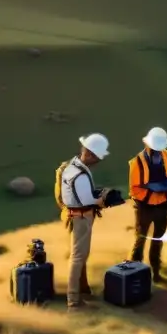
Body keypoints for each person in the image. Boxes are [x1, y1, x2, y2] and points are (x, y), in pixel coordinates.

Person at [56, 133, 111, 310]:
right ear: (91, 154)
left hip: (76, 215)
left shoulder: (73, 167)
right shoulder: (79, 174)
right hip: (81, 217)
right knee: (78, 257)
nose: (98, 161)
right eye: (97, 157)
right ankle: (73, 299)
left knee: (79, 256)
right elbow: (86, 200)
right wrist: (102, 199)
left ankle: (81, 290)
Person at [128, 126, 167, 283]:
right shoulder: (136, 162)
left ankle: (156, 271)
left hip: (163, 206)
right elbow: (133, 189)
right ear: (147, 144)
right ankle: (135, 273)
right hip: (145, 207)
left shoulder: (166, 155)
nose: (157, 151)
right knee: (141, 240)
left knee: (158, 240)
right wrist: (153, 192)